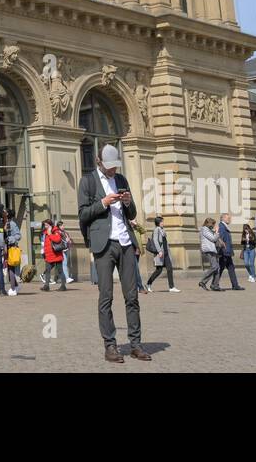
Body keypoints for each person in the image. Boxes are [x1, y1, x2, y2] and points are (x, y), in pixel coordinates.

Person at [77, 144, 149, 363]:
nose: (113, 171)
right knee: (106, 296)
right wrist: (103, 203)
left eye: (115, 166)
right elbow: (82, 215)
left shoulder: (122, 180)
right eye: (109, 167)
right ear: (99, 162)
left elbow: (132, 212)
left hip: (126, 243)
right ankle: (110, 346)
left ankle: (135, 345)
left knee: (132, 296)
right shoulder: (88, 181)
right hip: (104, 244)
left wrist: (128, 203)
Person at [146, 215, 179, 292]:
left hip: (166, 252)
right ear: (158, 222)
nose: (163, 223)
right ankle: (148, 283)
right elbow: (155, 241)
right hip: (160, 253)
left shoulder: (162, 230)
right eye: (162, 222)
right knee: (159, 270)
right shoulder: (156, 230)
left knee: (169, 268)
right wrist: (159, 251)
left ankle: (172, 287)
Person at [217, 213, 243, 290]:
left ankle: (235, 285)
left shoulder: (224, 226)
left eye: (230, 218)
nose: (230, 220)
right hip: (224, 252)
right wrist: (222, 249)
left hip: (227, 252)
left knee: (231, 268)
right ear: (223, 218)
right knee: (220, 268)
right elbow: (219, 238)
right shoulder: (221, 226)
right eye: (228, 218)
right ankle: (214, 284)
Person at [41, 219, 67, 291]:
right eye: (45, 225)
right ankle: (46, 286)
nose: (45, 226)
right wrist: (44, 253)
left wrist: (50, 234)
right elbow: (46, 244)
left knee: (60, 270)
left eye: (46, 225)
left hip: (56, 255)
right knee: (48, 270)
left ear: (50, 225)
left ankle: (63, 286)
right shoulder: (45, 232)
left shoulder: (55, 231)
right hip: (49, 255)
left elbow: (57, 239)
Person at [198, 217, 223, 291]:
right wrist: (217, 232)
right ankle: (203, 281)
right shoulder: (204, 230)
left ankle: (215, 285)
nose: (213, 225)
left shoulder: (209, 230)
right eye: (213, 224)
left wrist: (215, 232)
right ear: (208, 223)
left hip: (212, 250)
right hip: (208, 250)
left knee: (217, 268)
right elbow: (213, 239)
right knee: (215, 266)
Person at [4, 209, 23, 296]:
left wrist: (9, 239)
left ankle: (13, 288)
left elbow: (18, 235)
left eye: (5, 212)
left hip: (11, 248)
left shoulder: (12, 223)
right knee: (8, 267)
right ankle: (15, 286)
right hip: (5, 248)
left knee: (10, 267)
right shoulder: (4, 222)